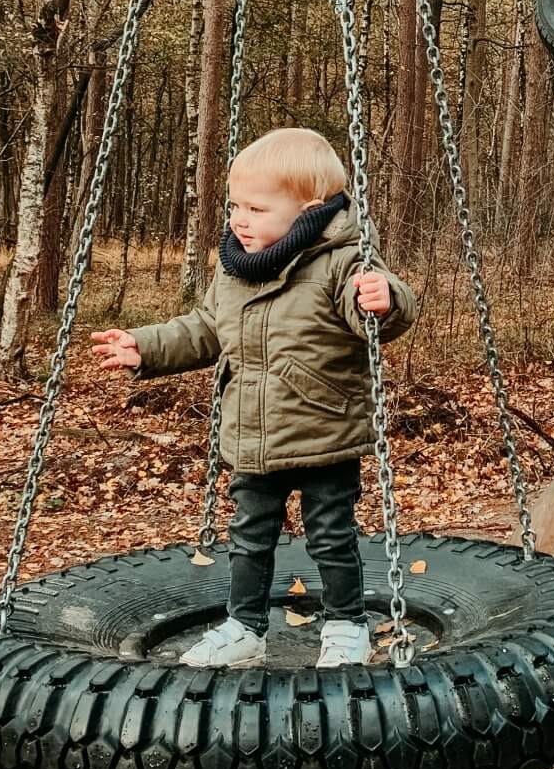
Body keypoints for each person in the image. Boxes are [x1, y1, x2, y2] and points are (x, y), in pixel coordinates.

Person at [90, 127, 418, 670]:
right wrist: (145, 346)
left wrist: (386, 301)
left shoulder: (343, 259)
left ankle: (346, 625)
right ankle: (244, 628)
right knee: (249, 538)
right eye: (235, 206)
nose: (240, 220)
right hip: (252, 433)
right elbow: (205, 327)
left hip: (324, 429)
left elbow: (377, 316)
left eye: (257, 209)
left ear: (307, 211)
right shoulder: (235, 266)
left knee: (331, 536)